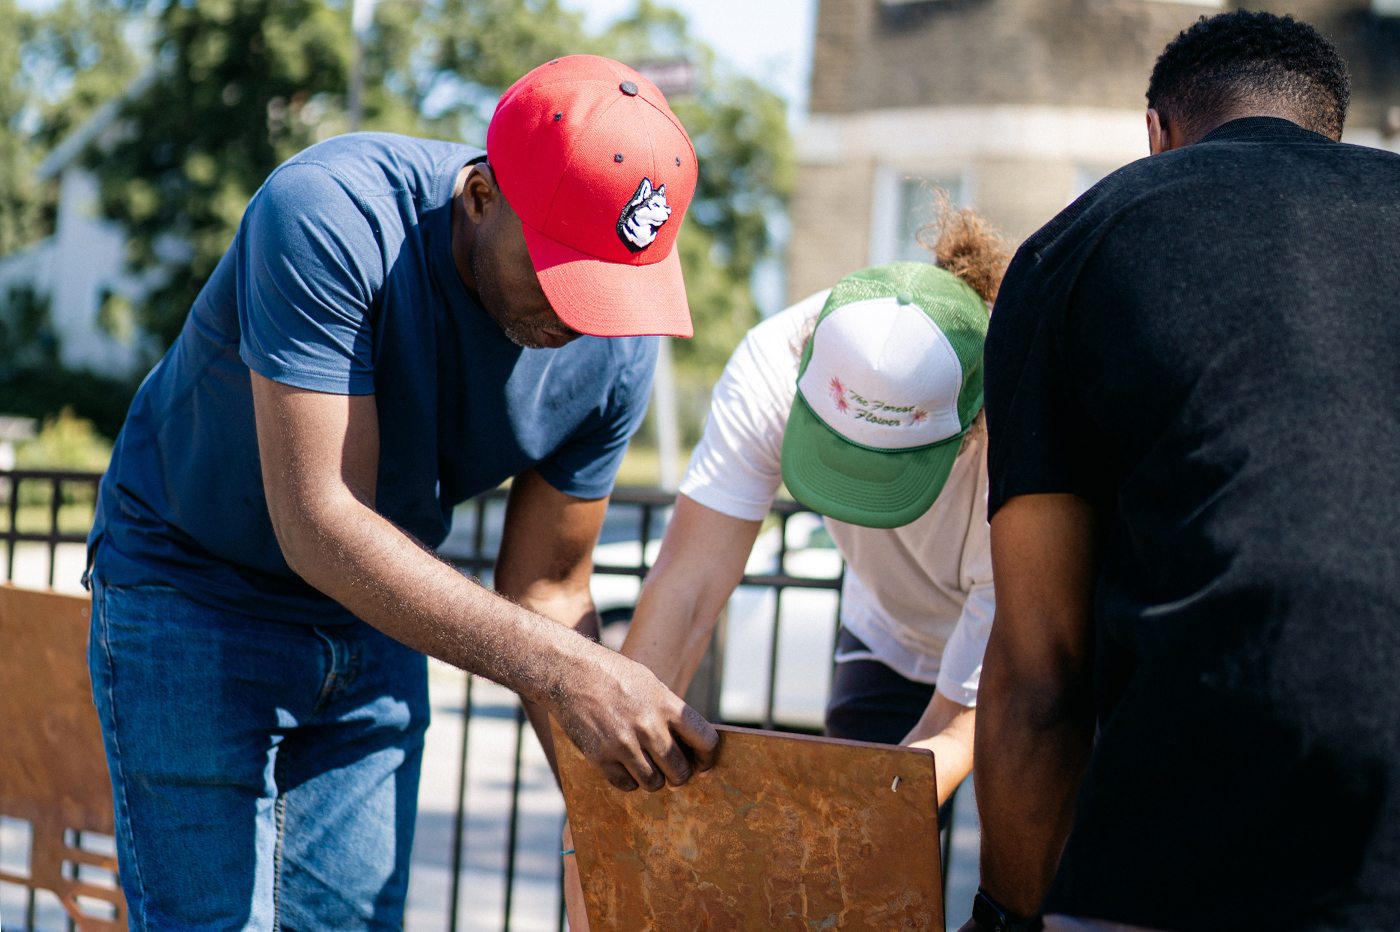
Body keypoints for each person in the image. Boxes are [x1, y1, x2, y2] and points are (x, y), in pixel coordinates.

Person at [85, 55, 719, 931]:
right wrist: (573, 670)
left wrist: (606, 817)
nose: (582, 318)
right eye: (562, 272)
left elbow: (547, 588)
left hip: (376, 617)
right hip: (194, 592)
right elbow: (321, 522)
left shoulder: (616, 340)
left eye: (608, 283)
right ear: (482, 197)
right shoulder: (329, 214)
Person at [967, 11, 1400, 932]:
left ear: (1156, 132)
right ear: (1332, 134)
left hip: (1191, 827)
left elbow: (1042, 679)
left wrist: (1006, 917)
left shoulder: (1078, 244)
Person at [564, 205, 1009, 930]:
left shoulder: (1020, 428)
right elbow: (687, 586)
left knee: (1025, 877)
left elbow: (958, 726)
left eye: (886, 471)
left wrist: (810, 842)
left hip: (1041, 650)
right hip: (890, 631)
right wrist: (605, 808)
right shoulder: (777, 359)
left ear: (969, 426)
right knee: (858, 900)